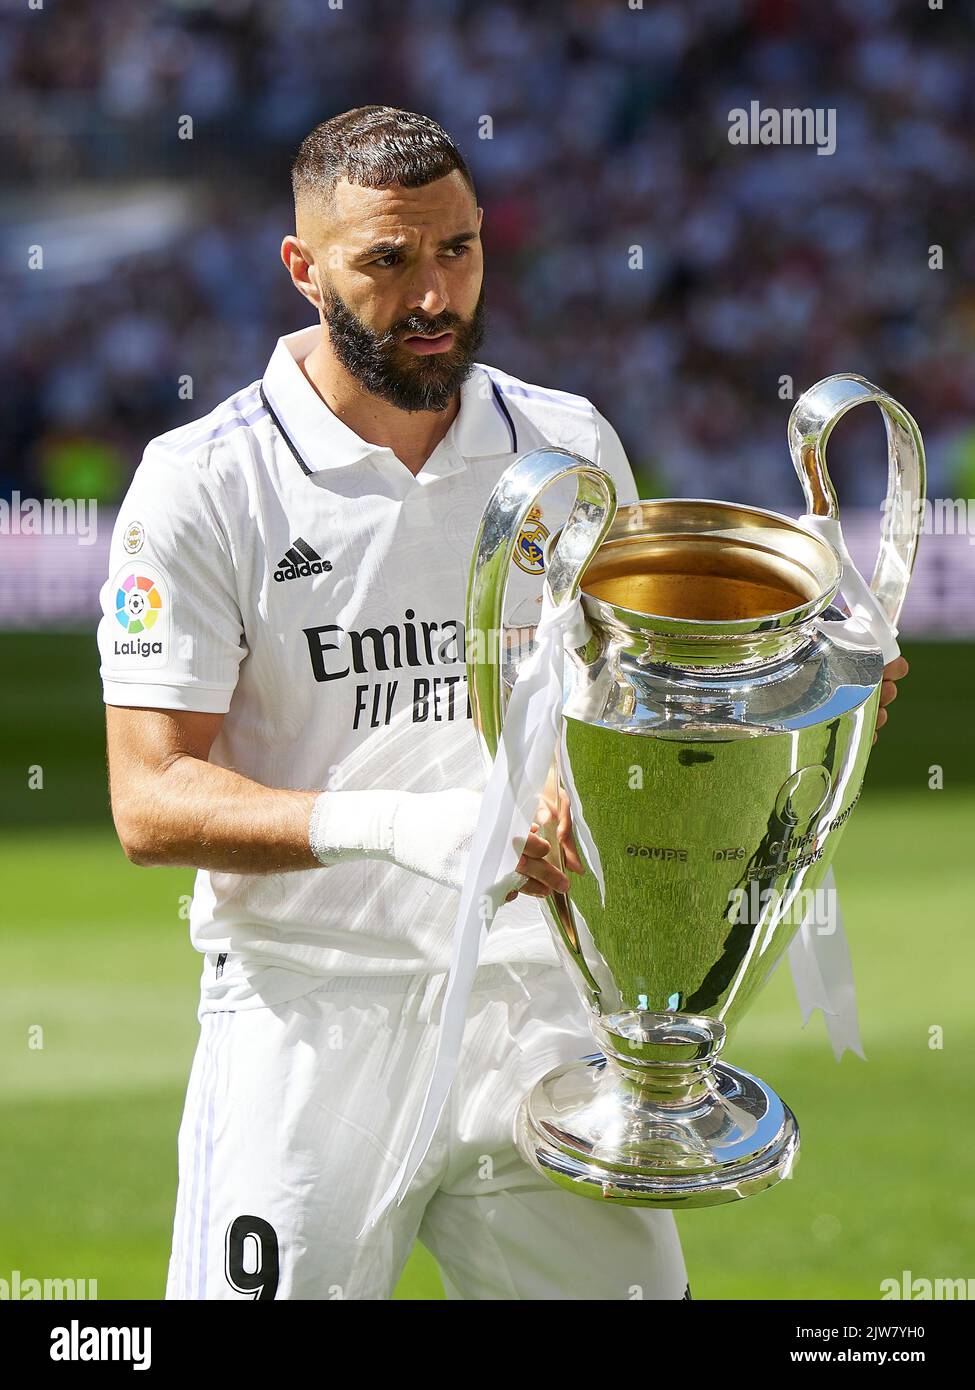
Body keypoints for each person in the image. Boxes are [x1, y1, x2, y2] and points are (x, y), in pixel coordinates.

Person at [98, 106, 905, 1301]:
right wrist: (407, 828)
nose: (435, 295)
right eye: (389, 259)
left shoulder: (566, 444)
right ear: (302, 266)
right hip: (312, 1015)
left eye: (459, 251)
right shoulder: (205, 481)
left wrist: (795, 698)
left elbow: (629, 718)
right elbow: (149, 798)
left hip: (541, 1004)